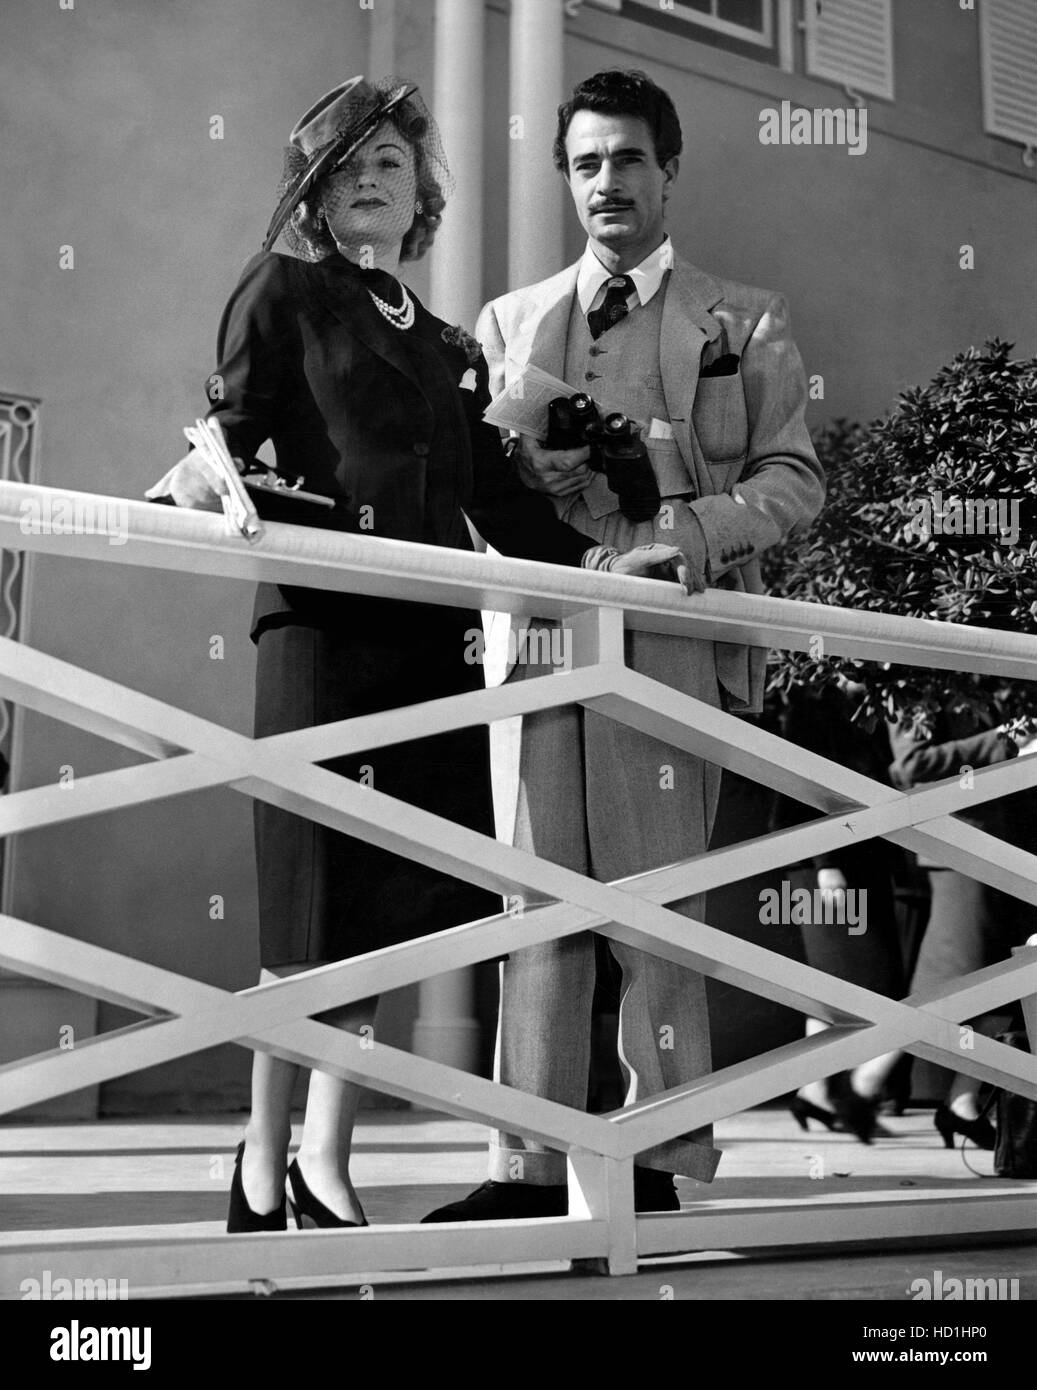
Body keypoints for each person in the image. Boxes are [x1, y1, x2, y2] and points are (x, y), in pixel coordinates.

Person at [148, 75, 687, 1232]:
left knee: (386, 913)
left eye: (390, 160)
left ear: (418, 191)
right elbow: (225, 434)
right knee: (307, 912)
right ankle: (257, 1163)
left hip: (429, 645)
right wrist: (198, 472)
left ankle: (325, 1165)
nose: (372, 178)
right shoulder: (282, 290)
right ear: (310, 195)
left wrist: (603, 567)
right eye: (345, 166)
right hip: (323, 631)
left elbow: (499, 500)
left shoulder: (447, 345)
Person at [424, 69, 825, 1223]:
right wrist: (527, 473)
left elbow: (792, 477)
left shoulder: (742, 318)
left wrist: (687, 533)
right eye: (587, 162)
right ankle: (528, 1169)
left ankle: (655, 1163)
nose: (607, 181)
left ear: (667, 170)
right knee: (535, 906)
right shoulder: (505, 322)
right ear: (567, 177)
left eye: (629, 159)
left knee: (660, 910)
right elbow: (464, 490)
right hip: (542, 638)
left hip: (669, 644)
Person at [888, 700, 1037, 1148]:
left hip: (1006, 847)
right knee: (951, 984)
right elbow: (910, 765)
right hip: (962, 846)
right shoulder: (912, 681)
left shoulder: (1001, 679)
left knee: (999, 980)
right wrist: (1008, 740)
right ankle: (867, 1080)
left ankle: (962, 1102)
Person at [771, 682, 908, 1142]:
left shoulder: (864, 701)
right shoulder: (810, 702)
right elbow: (800, 786)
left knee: (833, 986)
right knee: (864, 986)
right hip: (823, 867)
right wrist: (825, 863)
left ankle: (815, 1091)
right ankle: (847, 1093)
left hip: (855, 864)